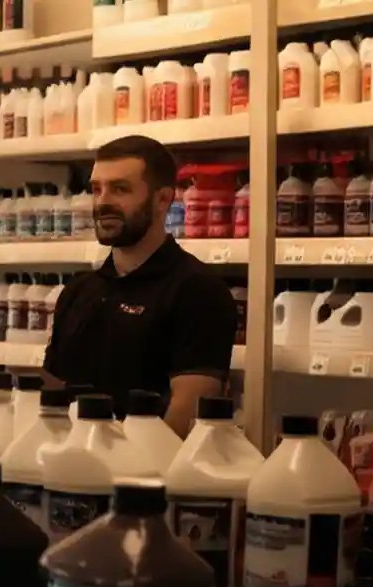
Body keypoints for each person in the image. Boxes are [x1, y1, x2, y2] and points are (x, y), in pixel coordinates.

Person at [43, 135, 236, 437]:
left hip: (146, 476)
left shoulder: (199, 292)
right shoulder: (78, 292)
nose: (103, 201)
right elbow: (50, 399)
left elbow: (186, 420)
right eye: (97, 189)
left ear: (162, 200)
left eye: (120, 189)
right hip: (69, 469)